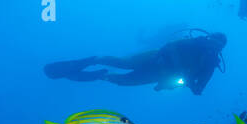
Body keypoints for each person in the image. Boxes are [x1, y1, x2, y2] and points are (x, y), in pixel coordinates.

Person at [45, 32, 226, 95]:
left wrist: (188, 84)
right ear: (209, 38)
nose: (212, 47)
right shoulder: (195, 42)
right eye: (213, 42)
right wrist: (183, 74)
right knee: (124, 63)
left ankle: (101, 75)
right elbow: (169, 46)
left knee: (126, 81)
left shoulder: (211, 64)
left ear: (220, 49)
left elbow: (199, 88)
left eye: (217, 46)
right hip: (154, 58)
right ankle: (94, 59)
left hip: (161, 74)